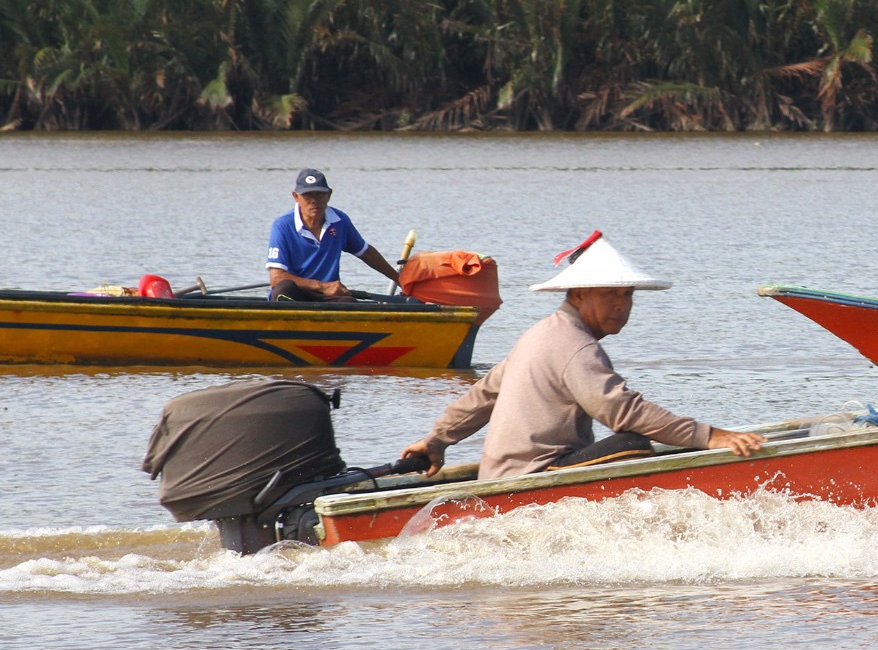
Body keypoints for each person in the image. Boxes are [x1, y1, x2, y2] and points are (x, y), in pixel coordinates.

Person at [400, 231, 767, 479]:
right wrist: (711, 436)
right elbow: (624, 412)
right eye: (609, 295)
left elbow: (483, 395)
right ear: (577, 296)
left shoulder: (540, 333)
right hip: (531, 477)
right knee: (631, 444)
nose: (621, 306)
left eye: (627, 296)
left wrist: (437, 440)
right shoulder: (574, 346)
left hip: (508, 473)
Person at [265, 168, 401, 301]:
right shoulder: (282, 225)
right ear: (296, 197)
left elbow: (366, 253)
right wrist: (322, 286)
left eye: (319, 194)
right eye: (308, 195)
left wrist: (400, 280)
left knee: (349, 303)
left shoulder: (340, 221)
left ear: (329, 195)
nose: (314, 200)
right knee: (284, 288)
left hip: (328, 296)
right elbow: (276, 278)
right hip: (295, 294)